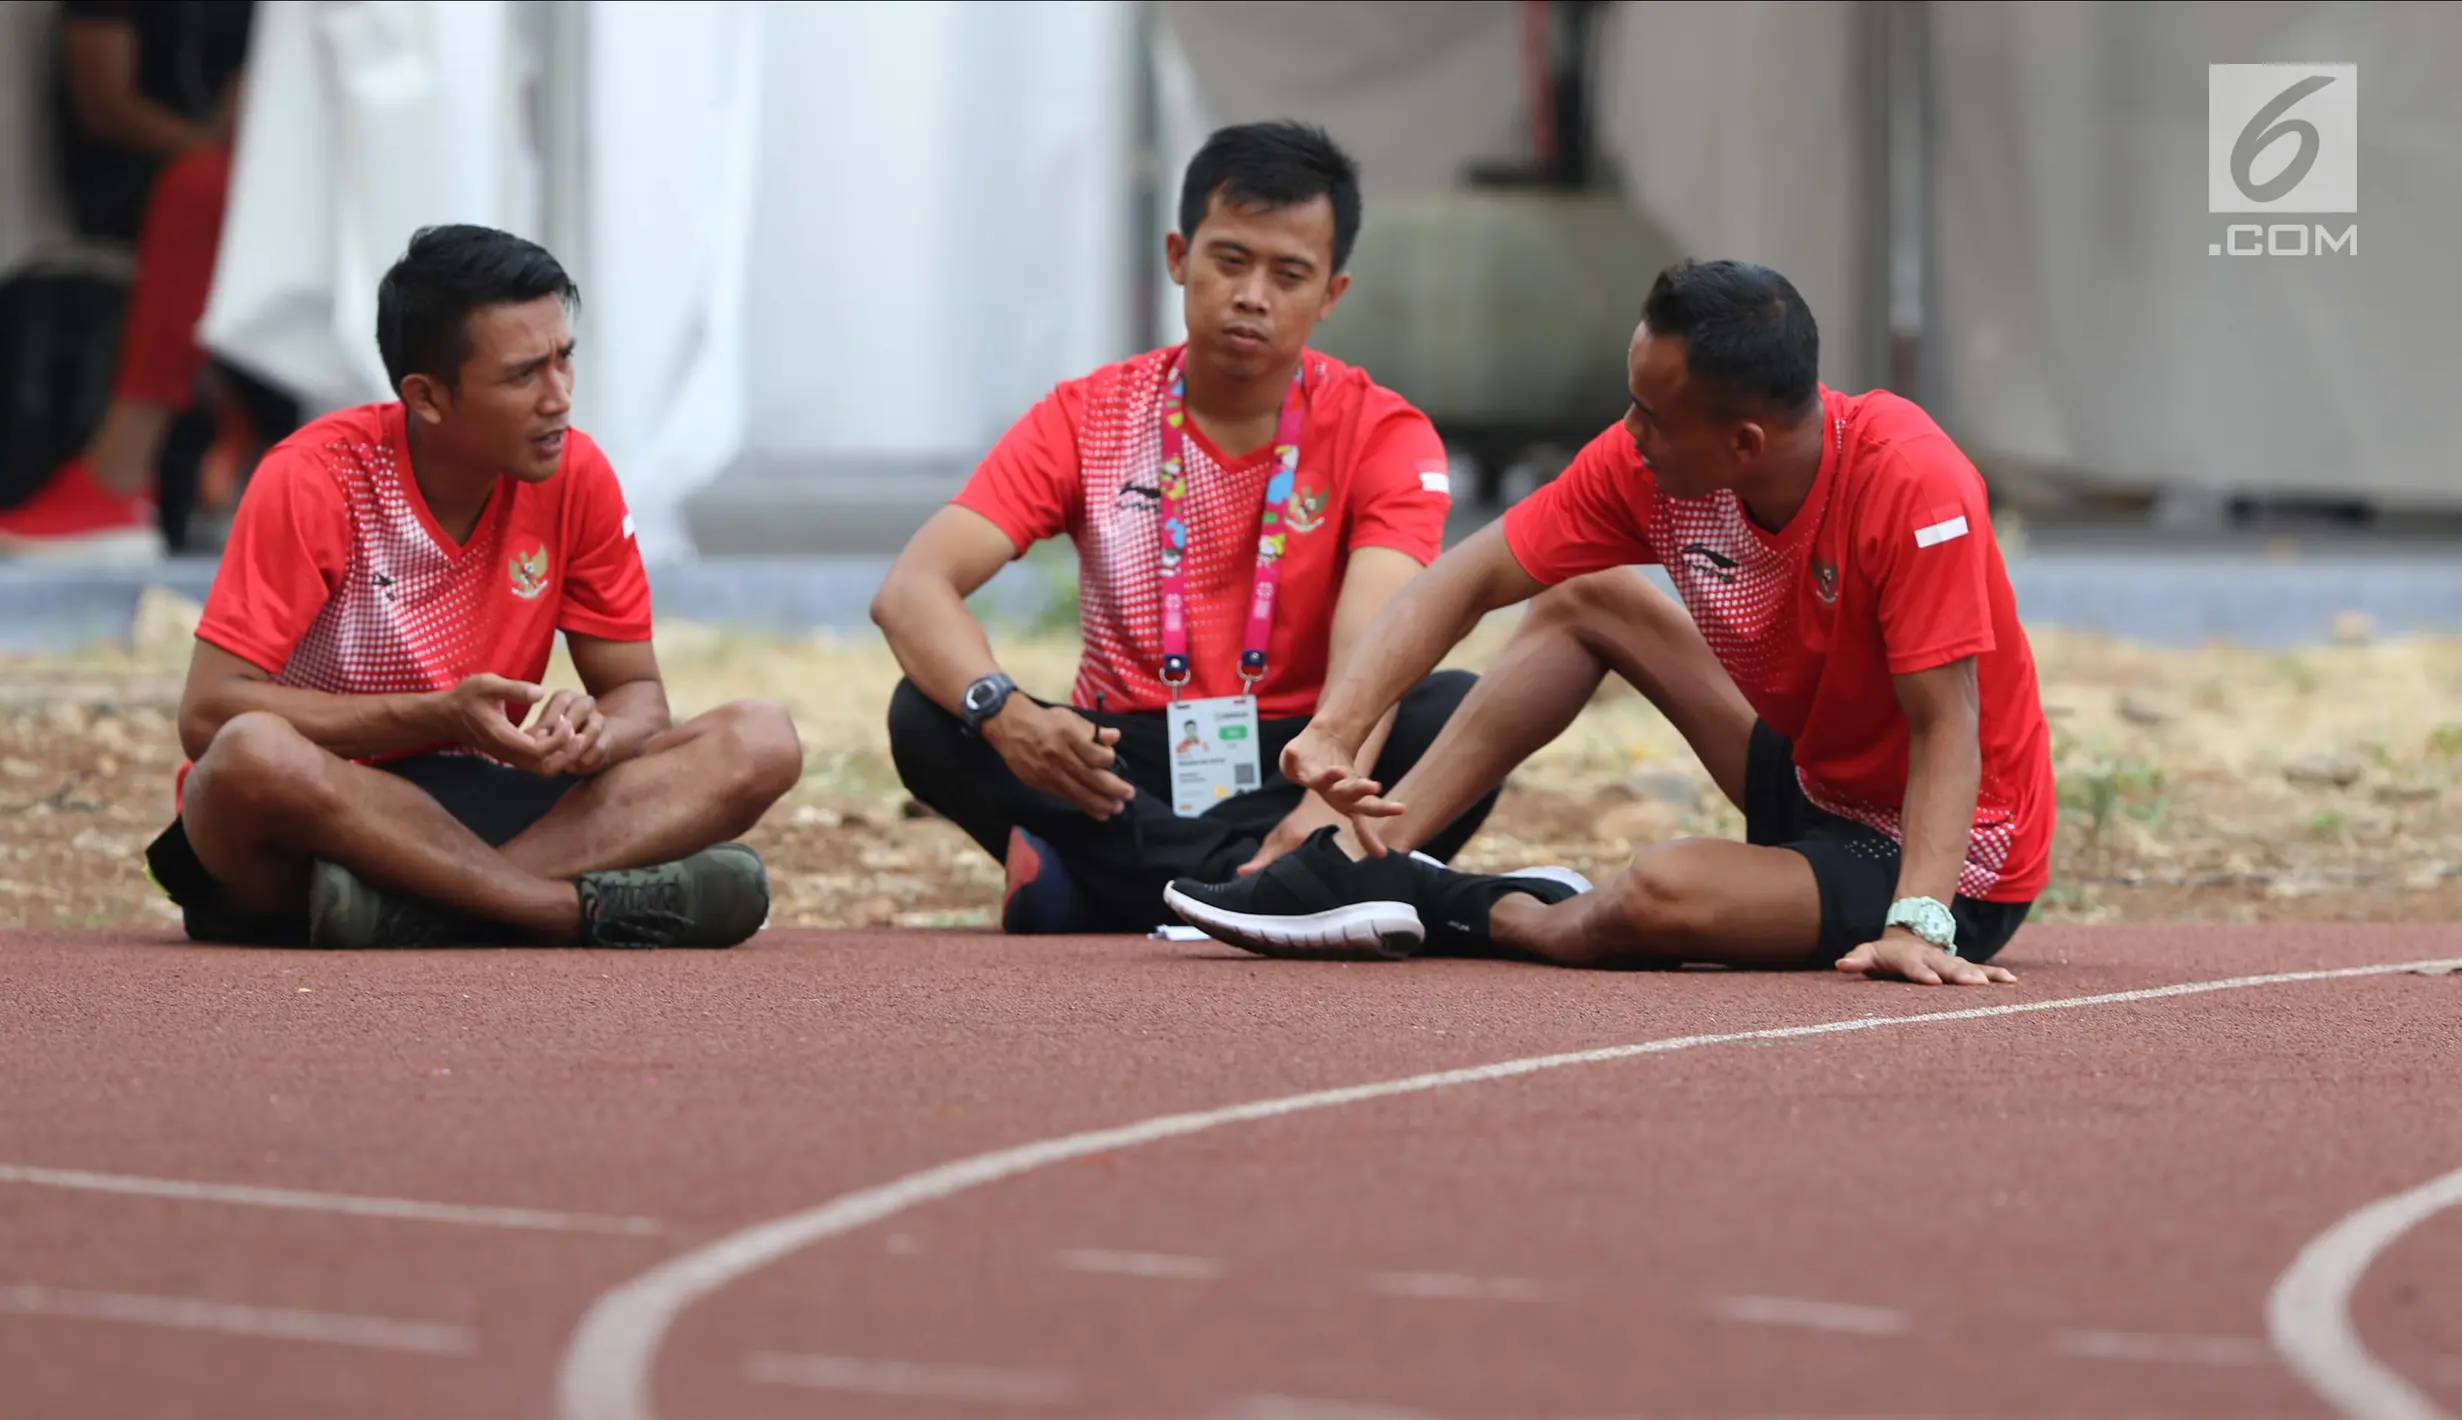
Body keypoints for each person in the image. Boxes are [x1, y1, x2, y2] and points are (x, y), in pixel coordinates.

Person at [1165, 260, 2053, 986]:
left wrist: (1916, 925)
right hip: (1813, 777)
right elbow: (1467, 580)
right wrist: (1337, 730)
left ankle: (1469, 906)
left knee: (1661, 890)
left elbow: (1945, 723)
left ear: (1744, 443)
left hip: (1945, 853)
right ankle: (1368, 860)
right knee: (1584, 599)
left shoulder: (1911, 483)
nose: (1628, 432)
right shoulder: (1646, 465)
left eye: (1651, 416)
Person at [872, 121, 1501, 935]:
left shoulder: (1383, 431)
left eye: (1289, 274)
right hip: (1120, 764)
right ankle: (1284, 890)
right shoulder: (1090, 415)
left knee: (1461, 713)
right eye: (1230, 260)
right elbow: (912, 589)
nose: (1252, 296)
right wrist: (1008, 716)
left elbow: (1382, 644)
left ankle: (1101, 889)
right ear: (1179, 256)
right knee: (927, 715)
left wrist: (1320, 804)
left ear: (1331, 295)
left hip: (1308, 750)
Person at [141, 224, 802, 949]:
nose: (559, 397)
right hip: (320, 803)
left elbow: (639, 697)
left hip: (488, 805)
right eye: (523, 376)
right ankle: (557, 911)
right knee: (251, 755)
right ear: (426, 397)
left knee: (760, 738)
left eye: (564, 359)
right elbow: (208, 715)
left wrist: (596, 732)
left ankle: (416, 913)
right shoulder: (314, 477)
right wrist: (437, 717)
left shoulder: (576, 473)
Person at [1, 0, 263, 556]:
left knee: (206, 194)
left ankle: (130, 479)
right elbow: (104, 102)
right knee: (199, 191)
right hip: (143, 184)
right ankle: (126, 476)